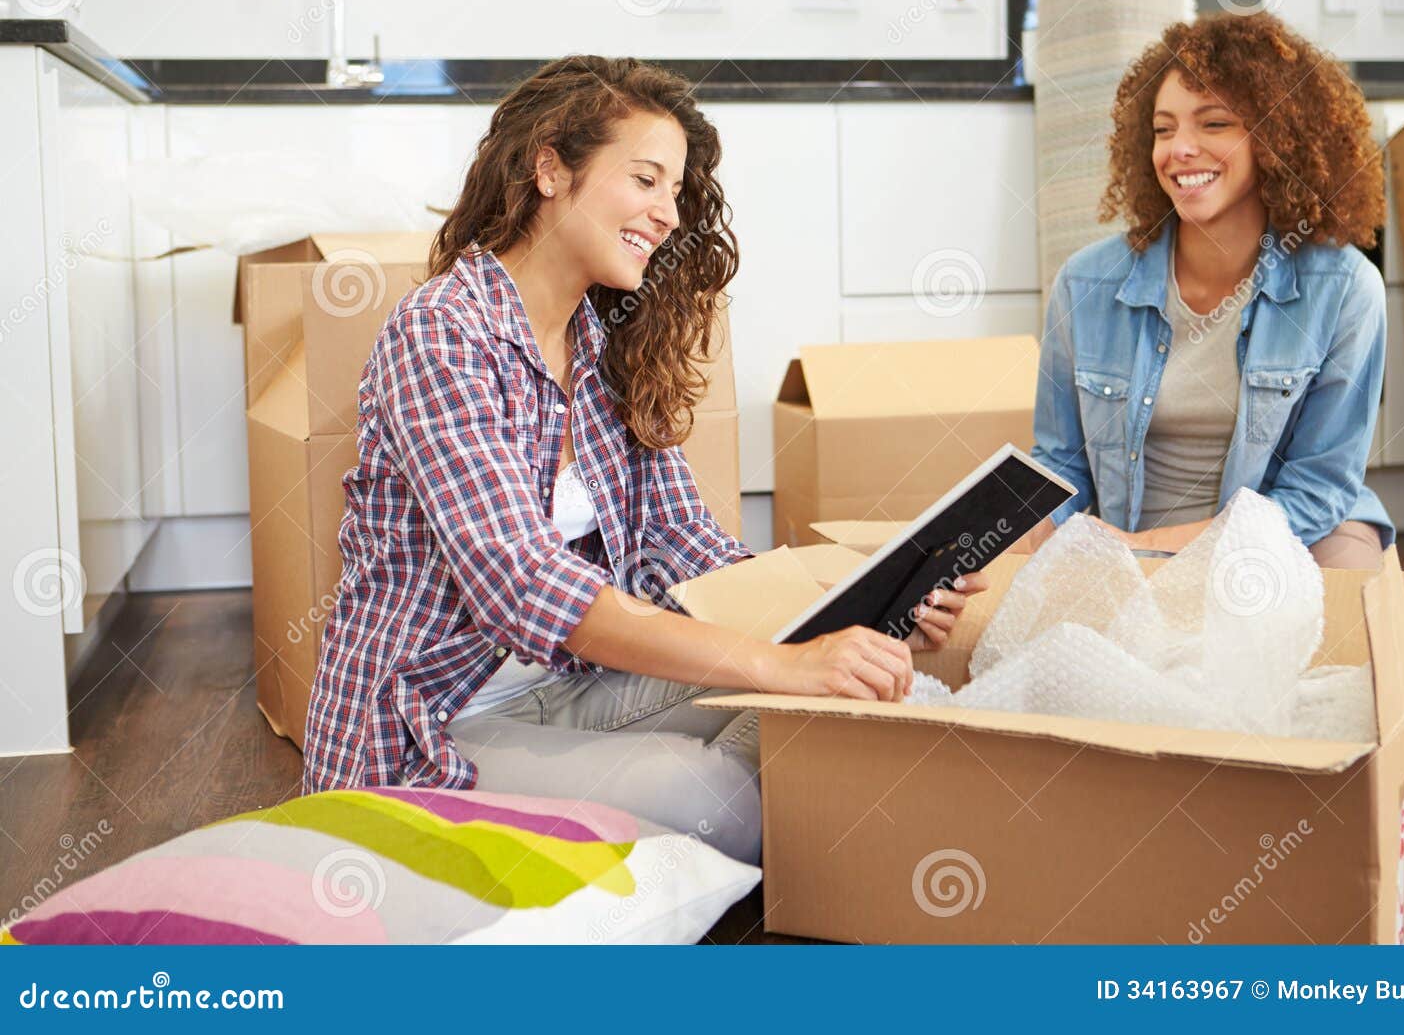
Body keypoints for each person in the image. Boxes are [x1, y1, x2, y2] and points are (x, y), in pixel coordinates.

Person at [298, 56, 989, 863]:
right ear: (550, 167)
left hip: (574, 686)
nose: (666, 214)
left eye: (675, 192)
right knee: (721, 797)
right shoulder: (441, 332)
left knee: (838, 711)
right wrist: (781, 666)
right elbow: (524, 584)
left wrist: (866, 603)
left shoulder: (602, 345)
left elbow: (693, 553)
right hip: (437, 721)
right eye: (647, 179)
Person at [1022, 12, 1404, 736]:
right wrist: (1011, 546)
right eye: (1164, 128)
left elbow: (1316, 494)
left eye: (1215, 123)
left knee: (1371, 690)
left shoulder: (1342, 289)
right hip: (1135, 549)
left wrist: (1149, 550)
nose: (1182, 149)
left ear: (1278, 138)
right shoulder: (1088, 284)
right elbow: (1058, 468)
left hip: (1302, 537)